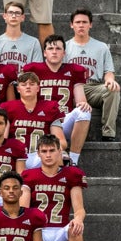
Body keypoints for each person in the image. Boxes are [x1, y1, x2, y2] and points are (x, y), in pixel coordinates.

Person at [22, 134, 89, 241]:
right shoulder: (29, 175)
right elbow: (23, 209)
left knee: (76, 228)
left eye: (52, 150)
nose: (48, 155)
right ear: (38, 153)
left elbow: (79, 209)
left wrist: (78, 219)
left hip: (61, 231)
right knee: (25, 227)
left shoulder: (72, 174)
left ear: (60, 151)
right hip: (39, 231)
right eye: (44, 151)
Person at [24, 34, 91, 165]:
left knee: (84, 111)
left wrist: (83, 103)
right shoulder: (33, 69)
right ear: (44, 53)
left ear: (64, 53)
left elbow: (80, 100)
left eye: (58, 48)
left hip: (63, 121)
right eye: (50, 48)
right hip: (41, 122)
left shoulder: (74, 70)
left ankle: (74, 159)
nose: (54, 52)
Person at [64, 8, 121, 141]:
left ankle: (108, 133)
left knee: (113, 90)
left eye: (84, 22)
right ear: (71, 25)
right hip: (72, 88)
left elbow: (108, 71)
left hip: (94, 87)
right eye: (78, 22)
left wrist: (110, 80)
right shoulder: (65, 47)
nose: (81, 25)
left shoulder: (101, 47)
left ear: (90, 24)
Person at [1, 71, 66, 167]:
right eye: (24, 85)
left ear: (38, 88)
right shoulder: (7, 107)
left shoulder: (50, 107)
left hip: (40, 155)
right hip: (16, 155)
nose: (28, 87)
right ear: (18, 89)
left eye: (32, 84)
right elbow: (3, 139)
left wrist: (51, 152)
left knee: (59, 153)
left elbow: (61, 141)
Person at [0, 1, 43, 71]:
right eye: (10, 12)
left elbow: (37, 69)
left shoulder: (33, 42)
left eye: (17, 13)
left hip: (26, 78)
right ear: (4, 16)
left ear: (22, 17)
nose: (14, 16)